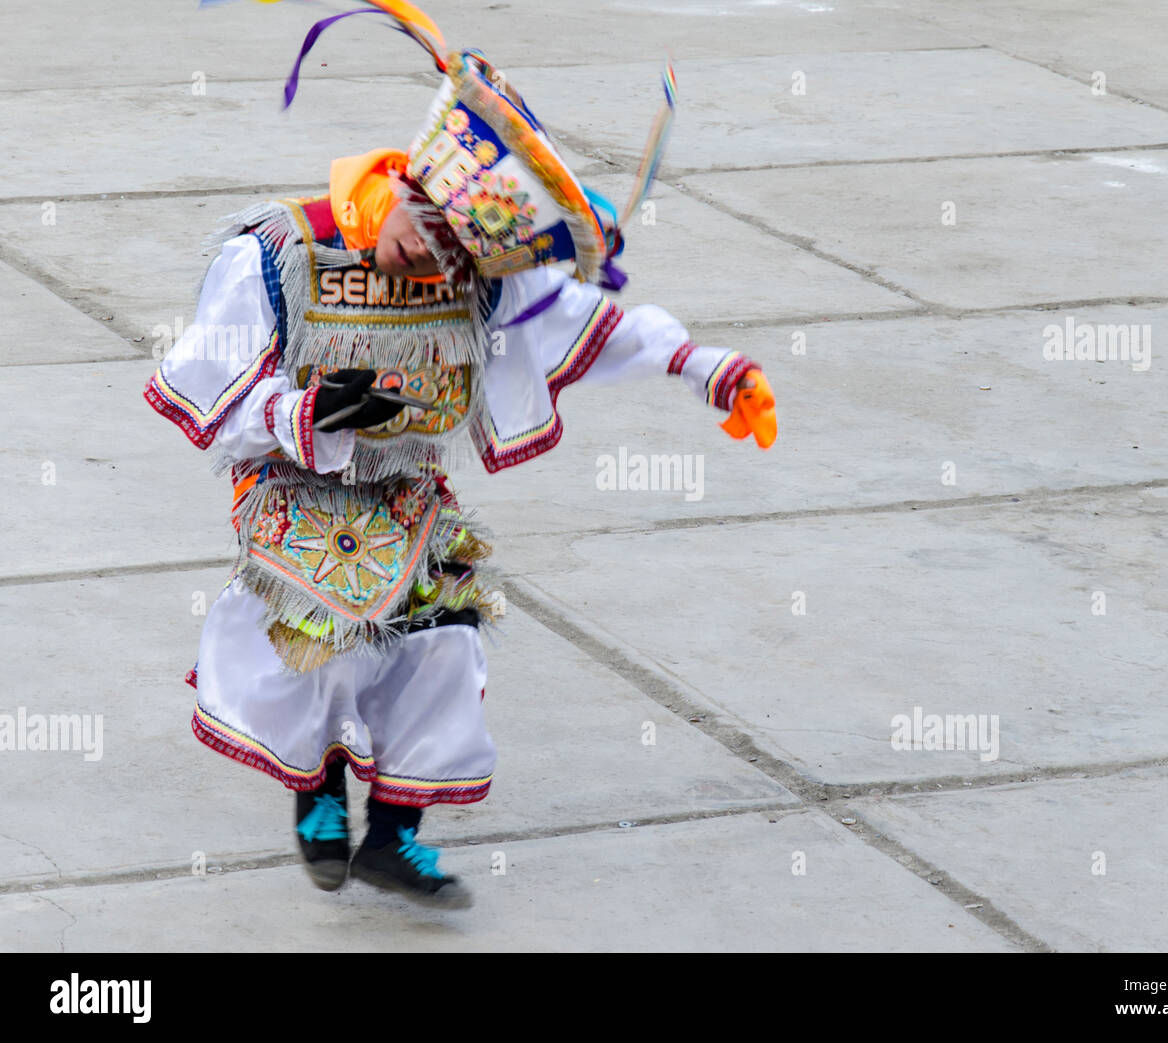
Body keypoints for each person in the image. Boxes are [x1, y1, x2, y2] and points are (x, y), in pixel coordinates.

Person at [146, 0, 778, 909]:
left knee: (444, 643)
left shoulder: (482, 274)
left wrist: (711, 367)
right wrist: (307, 410)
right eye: (426, 233)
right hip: (296, 491)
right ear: (411, 184)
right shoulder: (280, 253)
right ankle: (317, 795)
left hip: (410, 492)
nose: (432, 262)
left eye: (456, 256)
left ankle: (394, 839)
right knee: (313, 646)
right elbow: (208, 399)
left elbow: (596, 326)